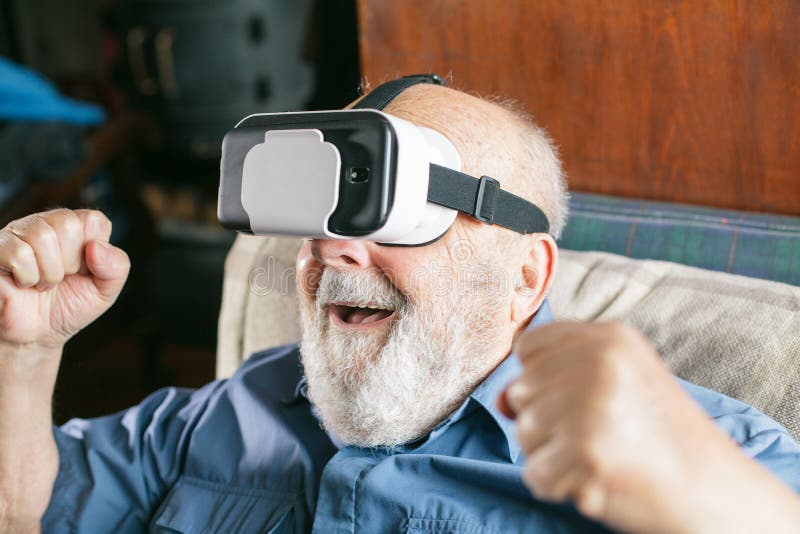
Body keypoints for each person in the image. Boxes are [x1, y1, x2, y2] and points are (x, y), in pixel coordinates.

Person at [1, 83, 799, 534]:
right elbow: (26, 510)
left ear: (526, 276)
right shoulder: (226, 412)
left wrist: (700, 499)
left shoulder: (708, 455)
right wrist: (23, 356)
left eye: (388, 215)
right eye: (321, 218)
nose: (331, 249)